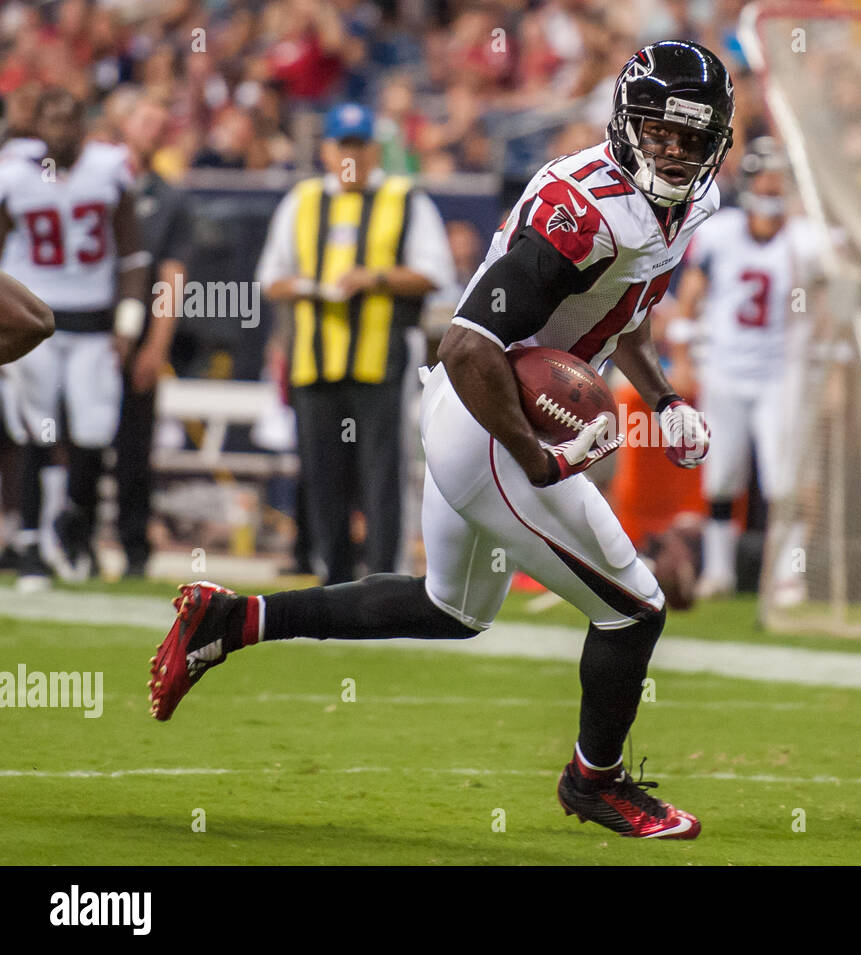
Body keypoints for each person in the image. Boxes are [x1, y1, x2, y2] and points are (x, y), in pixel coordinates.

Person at [150, 40, 732, 840]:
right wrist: (540, 458)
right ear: (626, 124)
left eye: (690, 138)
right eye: (658, 132)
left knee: (451, 609)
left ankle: (234, 620)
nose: (672, 150)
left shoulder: (681, 204)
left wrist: (662, 397)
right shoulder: (588, 211)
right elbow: (466, 343)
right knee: (635, 609)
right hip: (490, 416)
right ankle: (595, 781)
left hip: (481, 410)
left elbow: (625, 311)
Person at [256, 102, 454, 585]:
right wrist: (308, 285)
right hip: (314, 361)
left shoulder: (405, 199)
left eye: (359, 146)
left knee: (382, 475)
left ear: (373, 149)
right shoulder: (302, 201)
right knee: (323, 476)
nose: (351, 156)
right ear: (325, 151)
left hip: (380, 359)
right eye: (342, 146)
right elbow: (270, 279)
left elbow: (436, 276)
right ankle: (334, 576)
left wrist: (374, 278)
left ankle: (385, 577)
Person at [0, 89, 148, 589]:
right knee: (35, 432)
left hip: (92, 321)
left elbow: (131, 254)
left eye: (69, 119)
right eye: (52, 119)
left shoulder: (108, 168)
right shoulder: (16, 173)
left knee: (91, 434)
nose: (61, 129)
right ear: (38, 123)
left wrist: (129, 325)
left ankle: (72, 528)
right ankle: (28, 543)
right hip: (30, 319)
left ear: (83, 125)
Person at [673, 137, 819, 605]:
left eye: (779, 175)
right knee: (720, 476)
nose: (772, 184)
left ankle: (788, 575)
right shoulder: (721, 232)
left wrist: (830, 361)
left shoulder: (804, 240)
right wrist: (682, 358)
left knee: (783, 479)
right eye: (765, 174)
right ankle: (718, 572)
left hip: (781, 373)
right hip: (724, 368)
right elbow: (688, 301)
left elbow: (839, 295)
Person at [114, 91, 193, 579]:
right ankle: (61, 538)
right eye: (145, 119)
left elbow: (172, 276)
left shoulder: (171, 198)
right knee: (67, 442)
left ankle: (132, 546)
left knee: (133, 446)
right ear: (122, 121)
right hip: (85, 330)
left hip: (140, 332)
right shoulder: (96, 185)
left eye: (160, 125)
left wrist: (157, 344)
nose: (152, 131)